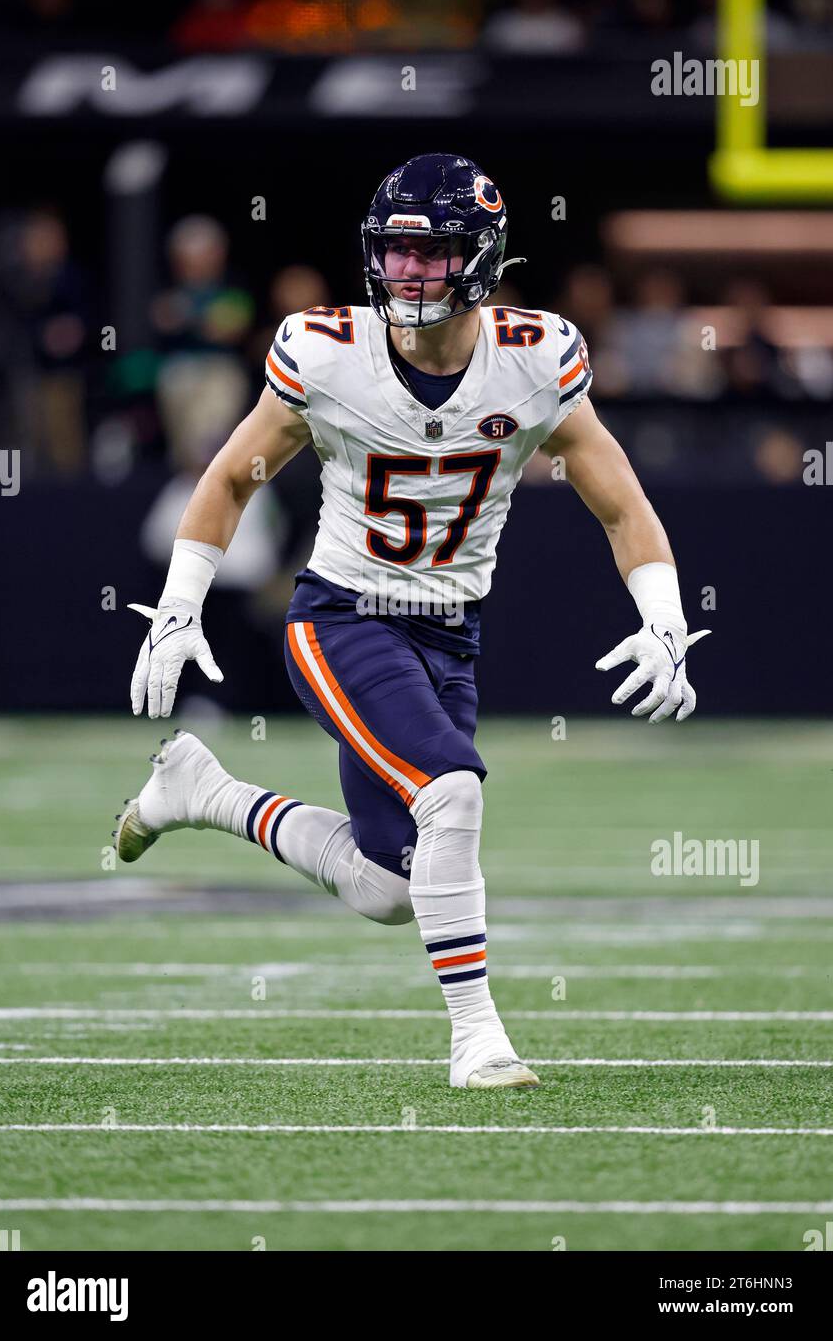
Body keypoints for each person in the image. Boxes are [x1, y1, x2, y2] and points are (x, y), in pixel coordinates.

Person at [114, 154, 709, 1089]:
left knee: (389, 886)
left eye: (429, 255)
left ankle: (205, 793)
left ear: (479, 260)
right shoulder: (325, 350)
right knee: (452, 792)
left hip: (450, 635)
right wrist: (181, 608)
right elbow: (232, 475)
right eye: (394, 253)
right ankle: (478, 1038)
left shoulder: (535, 357)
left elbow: (621, 502)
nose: (407, 274)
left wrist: (664, 620)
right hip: (342, 618)